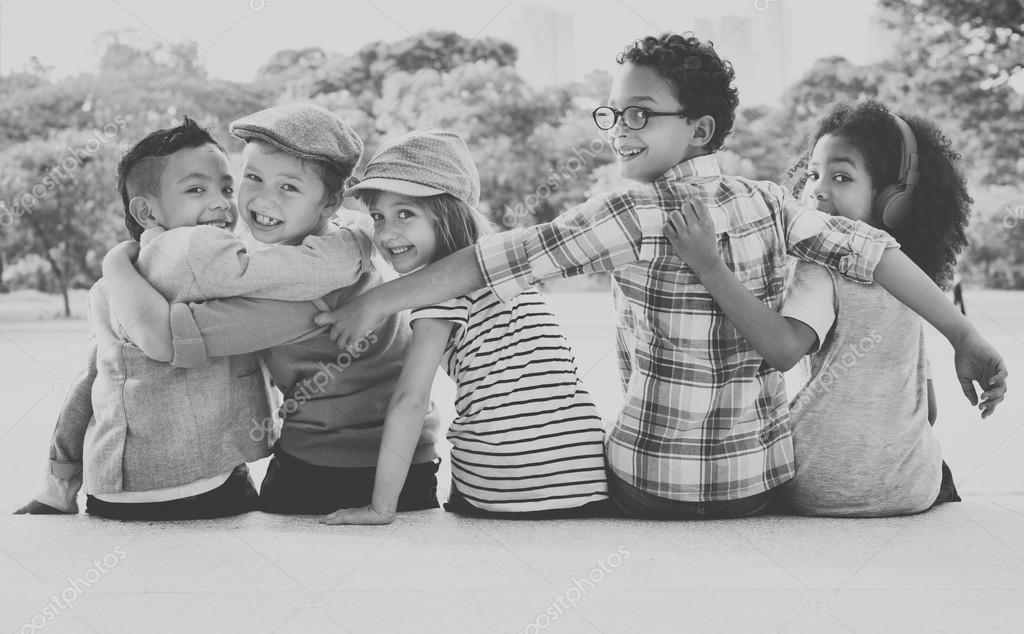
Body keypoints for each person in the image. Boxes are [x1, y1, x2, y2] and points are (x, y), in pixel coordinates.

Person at [314, 32, 1007, 520]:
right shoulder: (771, 200)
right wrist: (964, 335)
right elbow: (875, 252)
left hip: (653, 489)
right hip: (754, 488)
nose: (619, 127)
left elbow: (496, 258)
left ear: (699, 131)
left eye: (640, 114)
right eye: (613, 112)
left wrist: (380, 302)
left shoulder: (629, 209)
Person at [15, 114, 372, 519]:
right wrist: (360, 236)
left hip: (112, 489)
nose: (220, 202)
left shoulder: (112, 284)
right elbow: (306, 273)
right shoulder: (198, 249)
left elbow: (88, 384)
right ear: (147, 211)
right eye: (196, 189)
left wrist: (60, 480)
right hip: (199, 483)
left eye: (226, 186)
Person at [103, 105, 441, 515]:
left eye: (289, 188)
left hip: (330, 467)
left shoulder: (298, 284)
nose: (263, 199)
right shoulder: (331, 244)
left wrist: (116, 265)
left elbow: (168, 338)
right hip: (414, 465)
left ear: (331, 201)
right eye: (253, 178)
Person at [665, 100, 982, 515]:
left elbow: (782, 349)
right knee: (935, 461)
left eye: (841, 176)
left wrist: (709, 265)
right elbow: (930, 411)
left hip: (813, 488)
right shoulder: (912, 284)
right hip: (911, 490)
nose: (817, 188)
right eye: (813, 174)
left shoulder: (821, 267)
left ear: (893, 198)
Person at [318, 130, 609, 525]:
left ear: (450, 214)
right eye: (378, 217)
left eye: (406, 214)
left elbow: (409, 401)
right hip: (585, 480)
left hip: (501, 487)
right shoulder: (509, 275)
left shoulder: (435, 293)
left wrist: (381, 507)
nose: (386, 233)